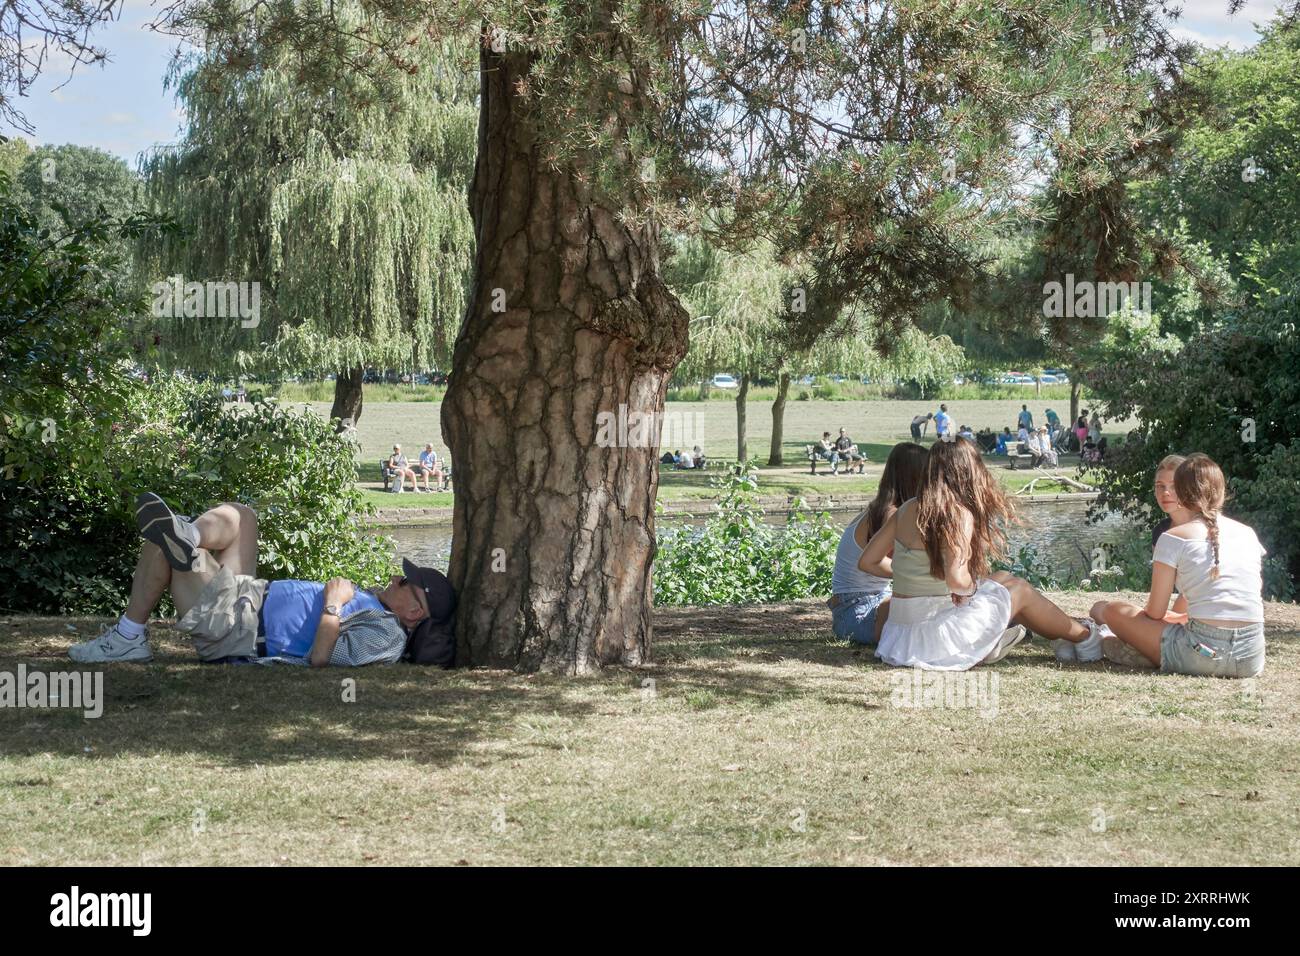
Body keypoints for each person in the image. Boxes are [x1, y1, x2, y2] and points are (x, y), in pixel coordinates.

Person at [67, 494, 447, 667]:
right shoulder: (378, 606)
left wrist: (334, 602)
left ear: (414, 610)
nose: (396, 577)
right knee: (244, 516)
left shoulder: (389, 636)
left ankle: (127, 638)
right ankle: (191, 535)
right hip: (249, 599)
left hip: (241, 630)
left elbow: (324, 659)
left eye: (404, 583)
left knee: (160, 543)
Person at [860, 439, 1105, 669]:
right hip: (934, 640)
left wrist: (914, 577)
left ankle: (1066, 638)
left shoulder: (906, 508)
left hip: (899, 637)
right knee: (1018, 590)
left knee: (1002, 578)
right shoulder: (957, 513)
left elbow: (868, 562)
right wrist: (966, 590)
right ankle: (1086, 637)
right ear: (968, 472)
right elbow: (956, 579)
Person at [1090, 454, 1266, 678]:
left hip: (1201, 653)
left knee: (1110, 610)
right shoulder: (1248, 533)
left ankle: (1126, 647)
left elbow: (1155, 613)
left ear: (1182, 492)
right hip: (1251, 658)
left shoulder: (1173, 537)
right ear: (1222, 491)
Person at [829, 443, 928, 645]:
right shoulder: (891, 514)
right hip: (858, 610)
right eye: (929, 474)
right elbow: (878, 563)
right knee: (928, 605)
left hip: (863, 604)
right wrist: (924, 573)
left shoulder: (884, 509)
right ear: (916, 476)